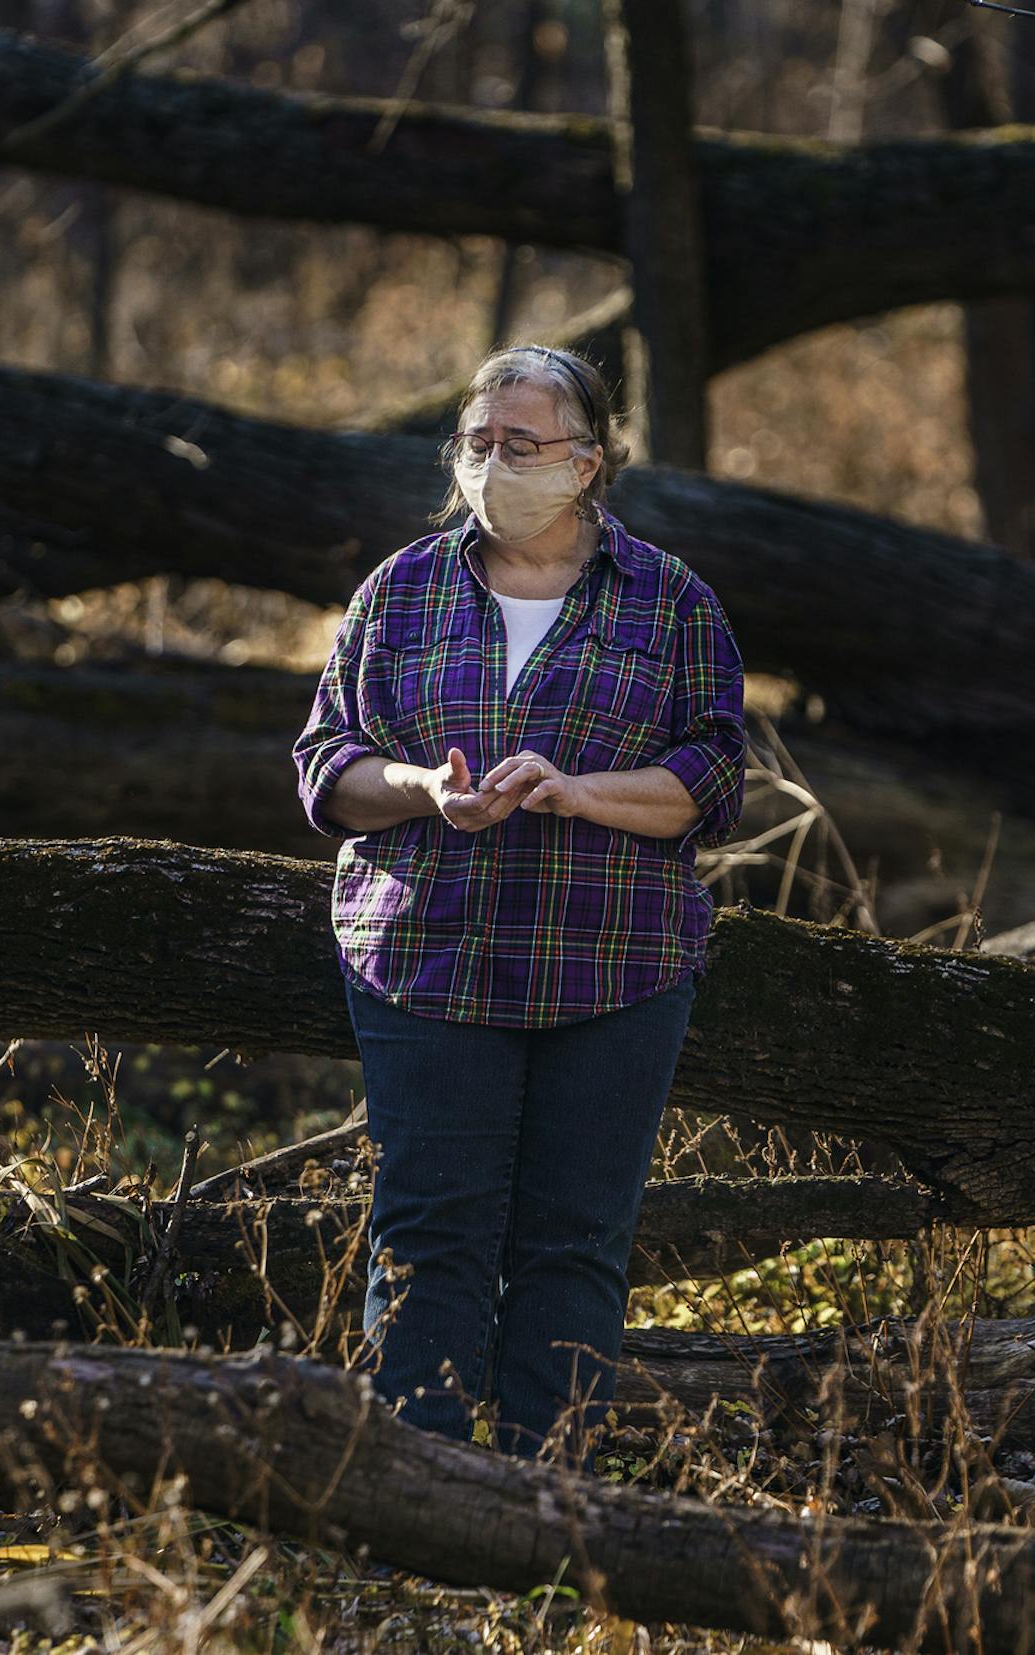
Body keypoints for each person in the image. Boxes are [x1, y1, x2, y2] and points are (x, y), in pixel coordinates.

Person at [288, 342, 747, 1466]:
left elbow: (715, 775)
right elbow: (323, 763)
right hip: (426, 958)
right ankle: (420, 1488)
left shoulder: (670, 602)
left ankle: (554, 1500)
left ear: (588, 464)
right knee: (429, 1230)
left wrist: (578, 792)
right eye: (478, 443)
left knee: (577, 1239)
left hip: (615, 964)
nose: (495, 464)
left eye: (525, 445)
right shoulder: (400, 591)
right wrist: (419, 787)